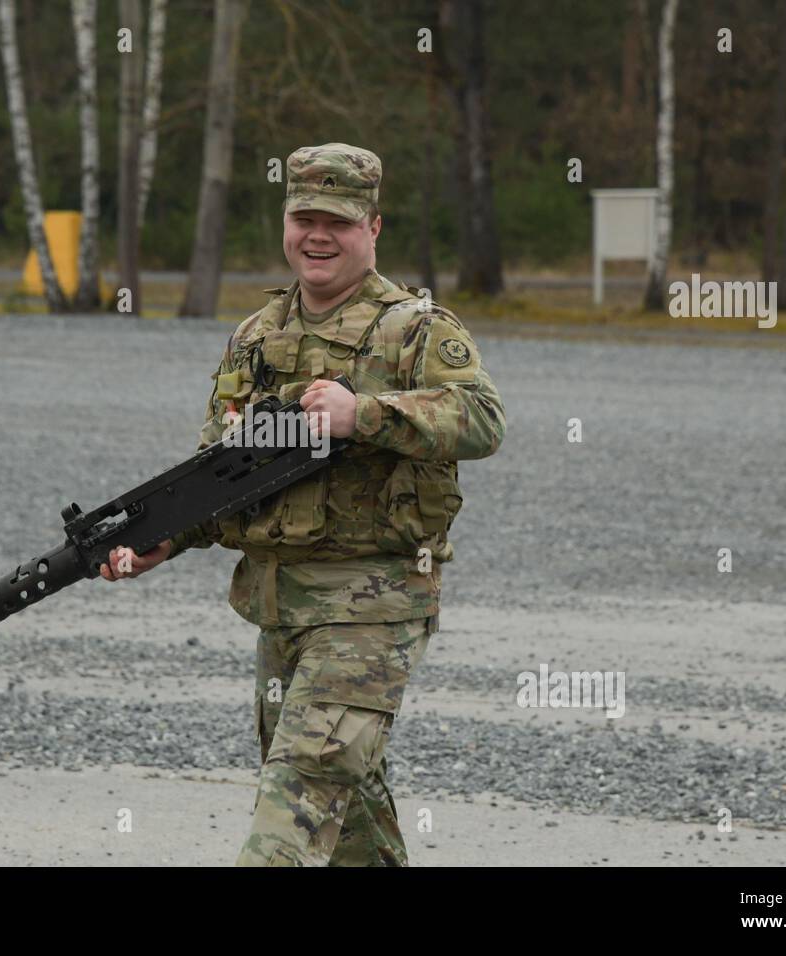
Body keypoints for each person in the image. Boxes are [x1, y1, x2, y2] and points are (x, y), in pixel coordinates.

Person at [99, 143, 506, 866]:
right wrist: (168, 537)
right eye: (303, 217)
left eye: (338, 222)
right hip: (278, 611)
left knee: (294, 806)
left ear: (373, 228)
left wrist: (365, 415)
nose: (317, 235)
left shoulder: (414, 328)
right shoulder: (255, 337)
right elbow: (218, 472)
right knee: (349, 821)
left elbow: (481, 420)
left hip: (370, 609)